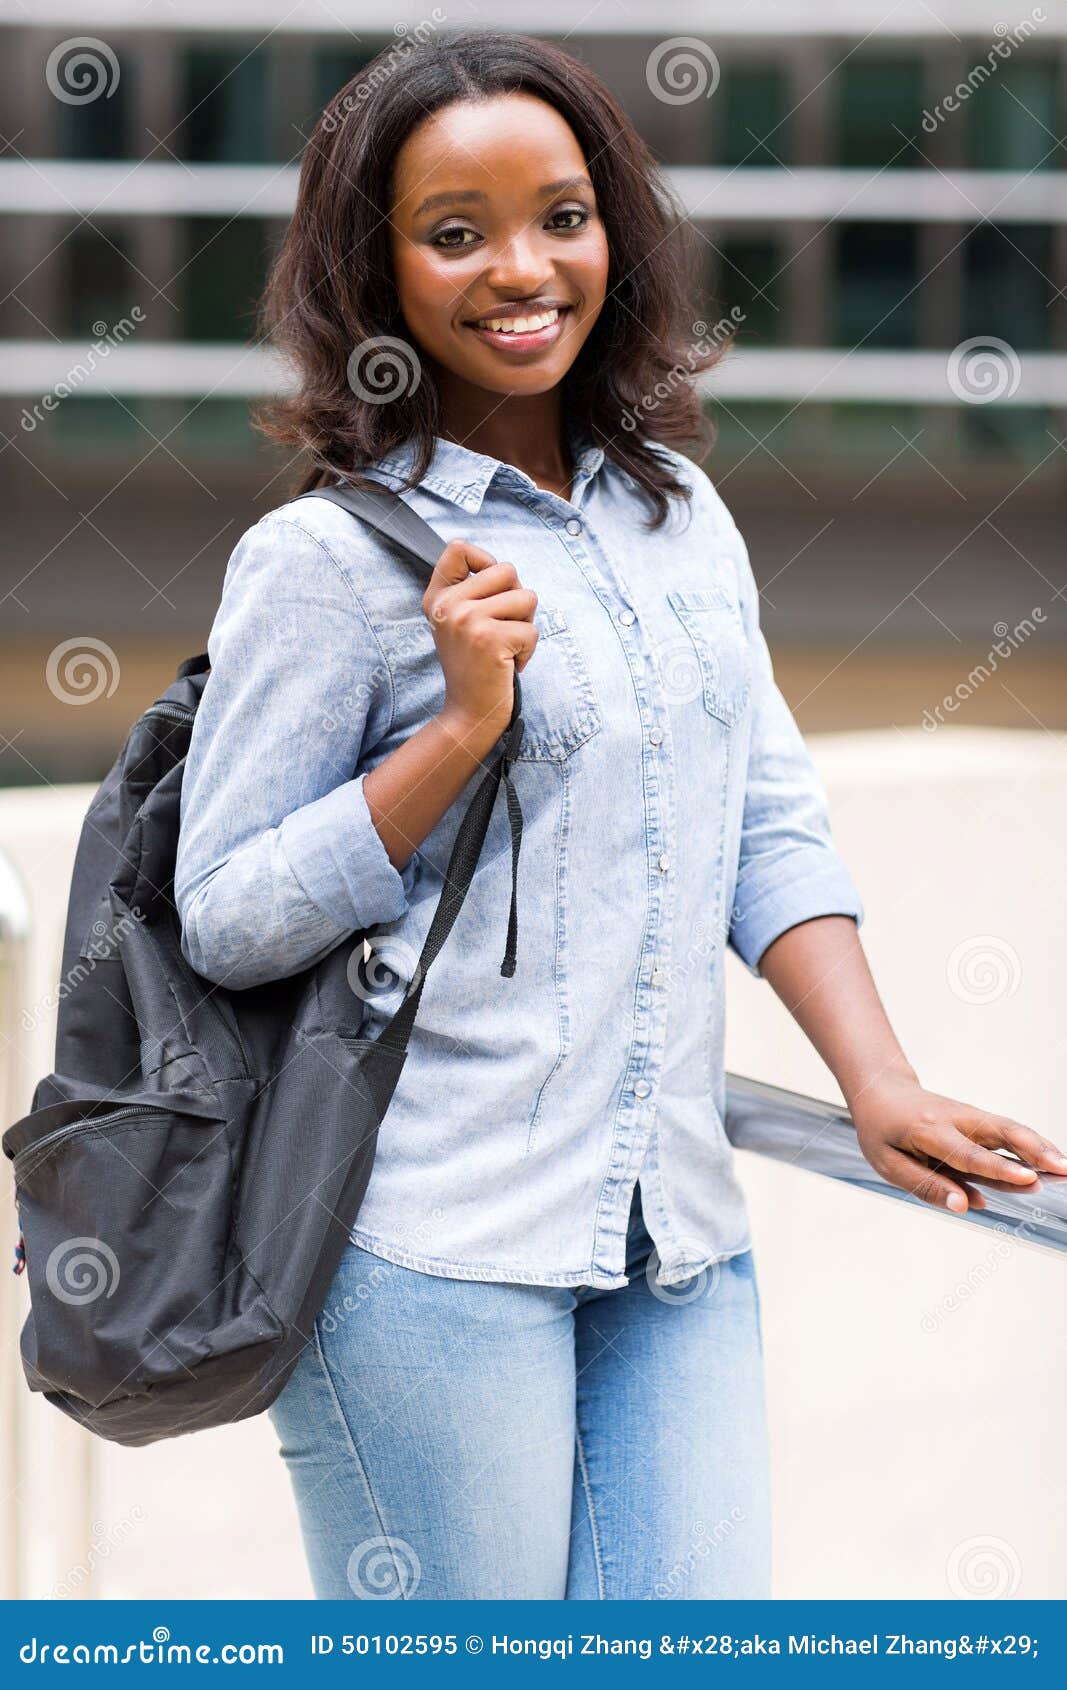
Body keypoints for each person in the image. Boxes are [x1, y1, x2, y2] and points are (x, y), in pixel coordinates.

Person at [173, 30, 1066, 1601]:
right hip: (424, 1256)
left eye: (562, 216)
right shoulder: (319, 565)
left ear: (617, 232)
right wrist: (457, 731)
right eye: (455, 232)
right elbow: (229, 911)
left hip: (676, 1243)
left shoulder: (675, 514)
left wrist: (879, 1078)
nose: (522, 268)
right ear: (372, 275)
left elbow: (766, 813)